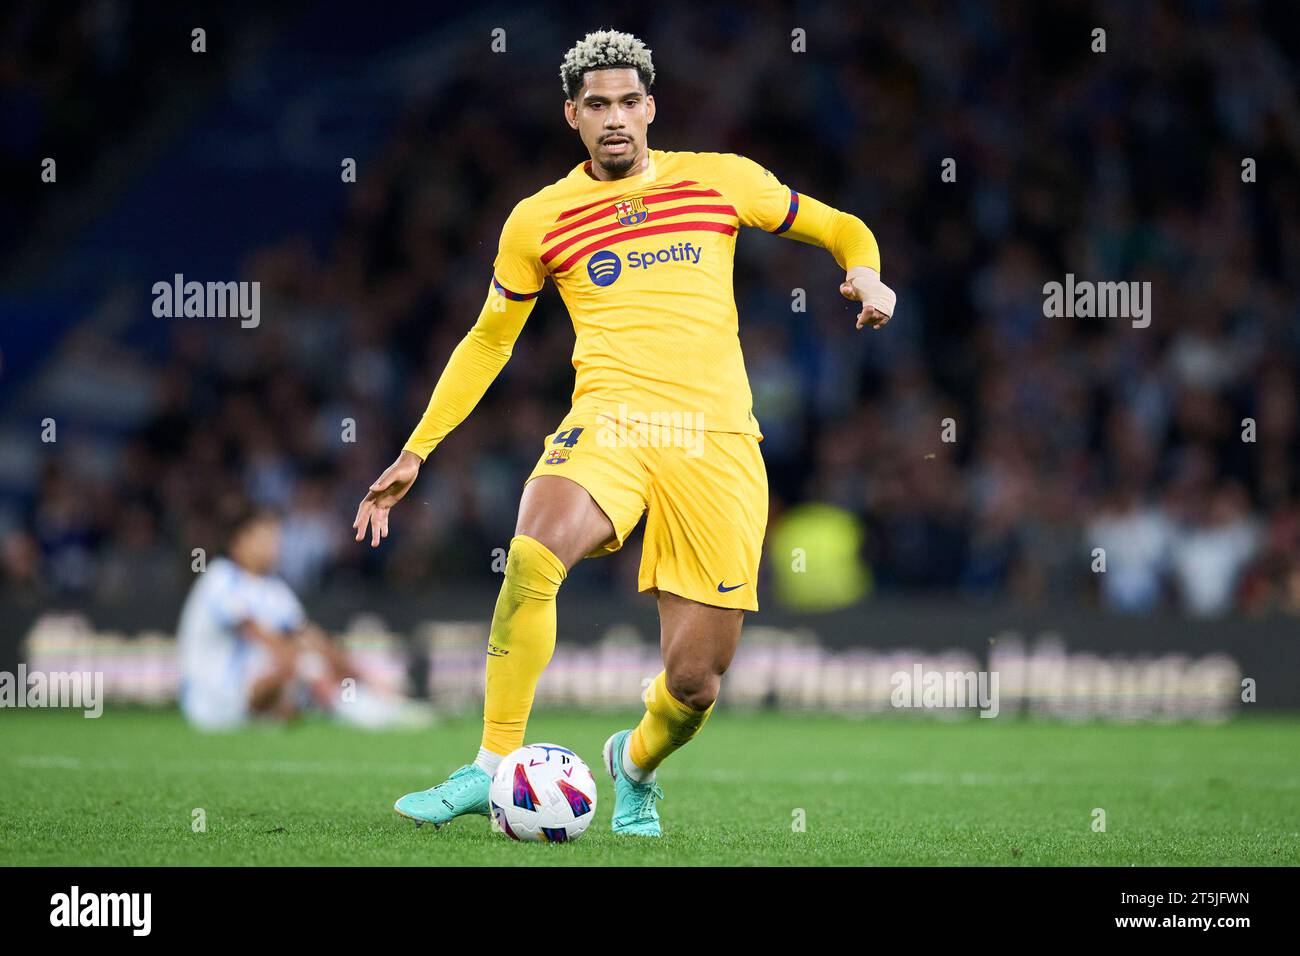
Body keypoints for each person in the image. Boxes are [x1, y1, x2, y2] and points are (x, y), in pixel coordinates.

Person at [353, 29, 895, 836]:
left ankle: (633, 764)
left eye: (628, 102)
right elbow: (489, 340)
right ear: (572, 115)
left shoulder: (721, 181)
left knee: (696, 683)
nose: (615, 118)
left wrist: (866, 270)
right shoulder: (539, 219)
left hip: (715, 442)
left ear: (651, 107)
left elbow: (840, 224)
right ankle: (491, 763)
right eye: (597, 104)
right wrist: (415, 451)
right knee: (534, 554)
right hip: (612, 421)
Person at [179, 502, 408, 730]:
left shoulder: (275, 589)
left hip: (250, 698)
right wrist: (310, 668)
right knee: (301, 664)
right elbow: (260, 637)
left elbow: (313, 639)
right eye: (264, 538)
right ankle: (357, 710)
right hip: (208, 701)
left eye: (275, 538)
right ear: (238, 542)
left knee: (309, 660)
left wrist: (363, 677)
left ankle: (374, 702)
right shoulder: (220, 577)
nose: (273, 546)